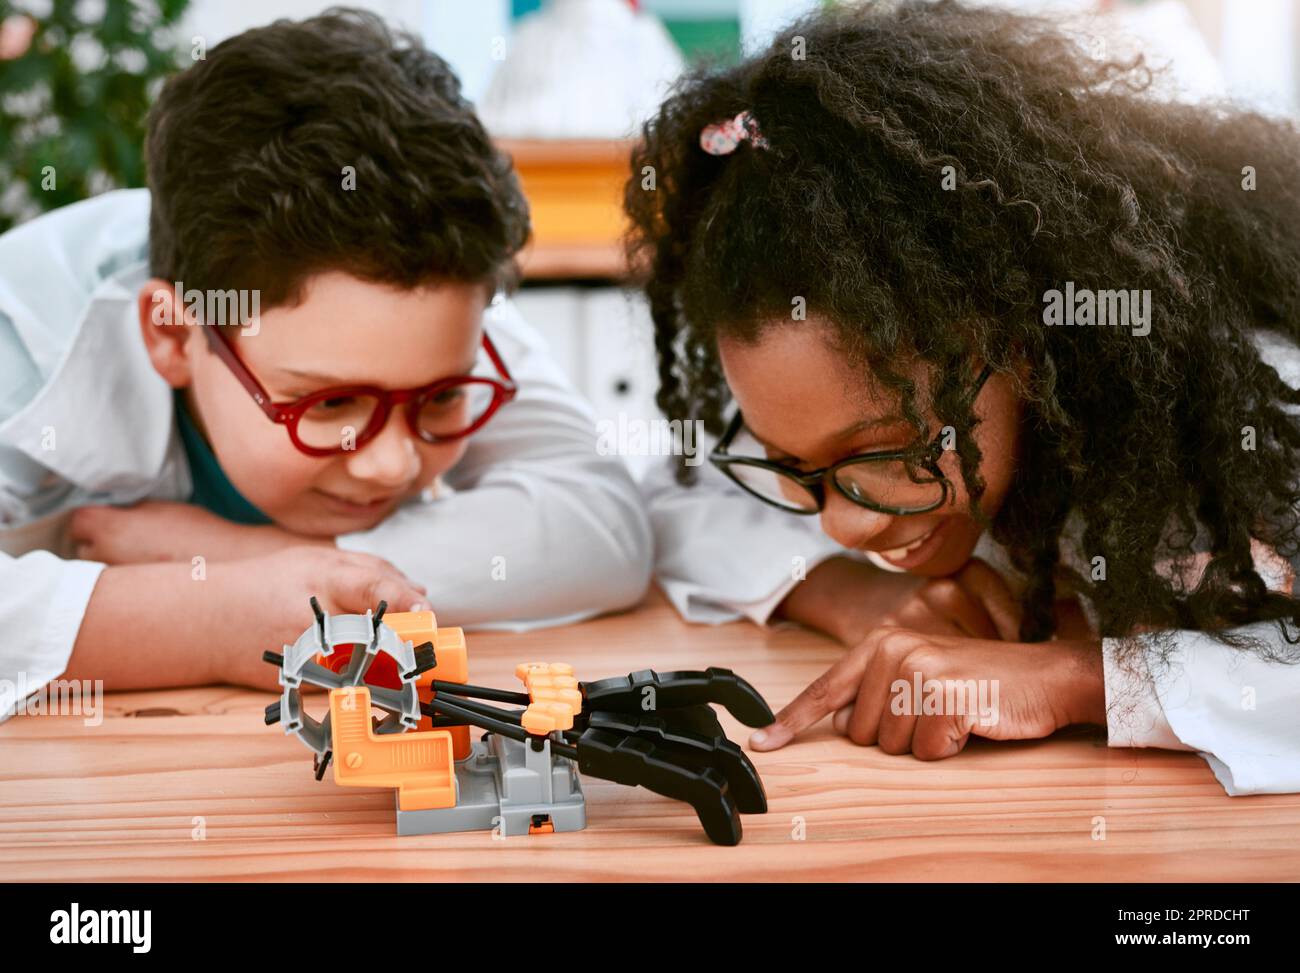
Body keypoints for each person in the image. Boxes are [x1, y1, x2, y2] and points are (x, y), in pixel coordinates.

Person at [627, 0, 1300, 793]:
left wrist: (1081, 678)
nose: (844, 522)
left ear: (1019, 341)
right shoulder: (972, 421)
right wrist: (862, 596)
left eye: (884, 449)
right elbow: (670, 498)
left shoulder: (1247, 413)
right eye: (788, 462)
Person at [0, 9, 651, 718]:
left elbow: (607, 526)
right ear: (173, 336)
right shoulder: (24, 333)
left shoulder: (434, 287)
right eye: (332, 405)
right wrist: (214, 617)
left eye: (438, 400)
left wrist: (256, 554)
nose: (392, 465)